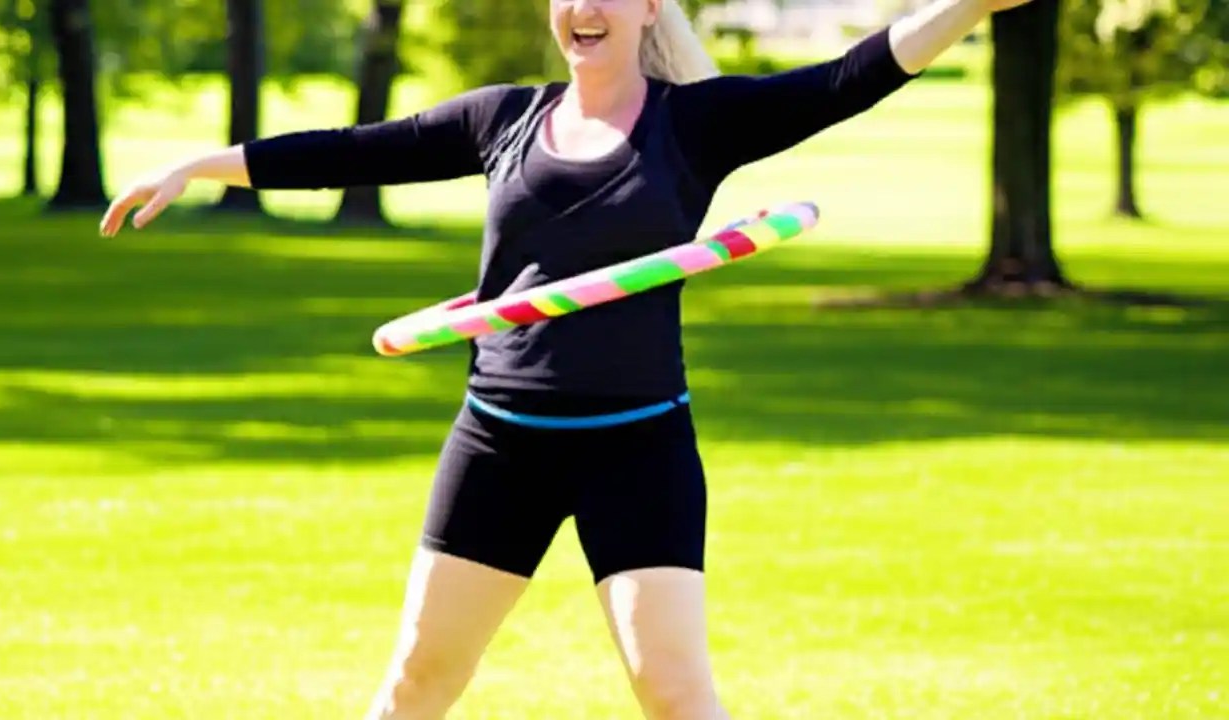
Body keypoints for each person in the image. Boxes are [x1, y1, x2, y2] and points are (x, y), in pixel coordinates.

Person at [100, 0, 1036, 717]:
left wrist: (970, 8)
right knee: (419, 681)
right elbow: (352, 151)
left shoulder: (696, 124)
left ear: (647, 9)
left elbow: (849, 77)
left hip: (637, 446)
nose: (583, 8)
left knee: (675, 693)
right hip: (500, 444)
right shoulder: (501, 118)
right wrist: (197, 166)